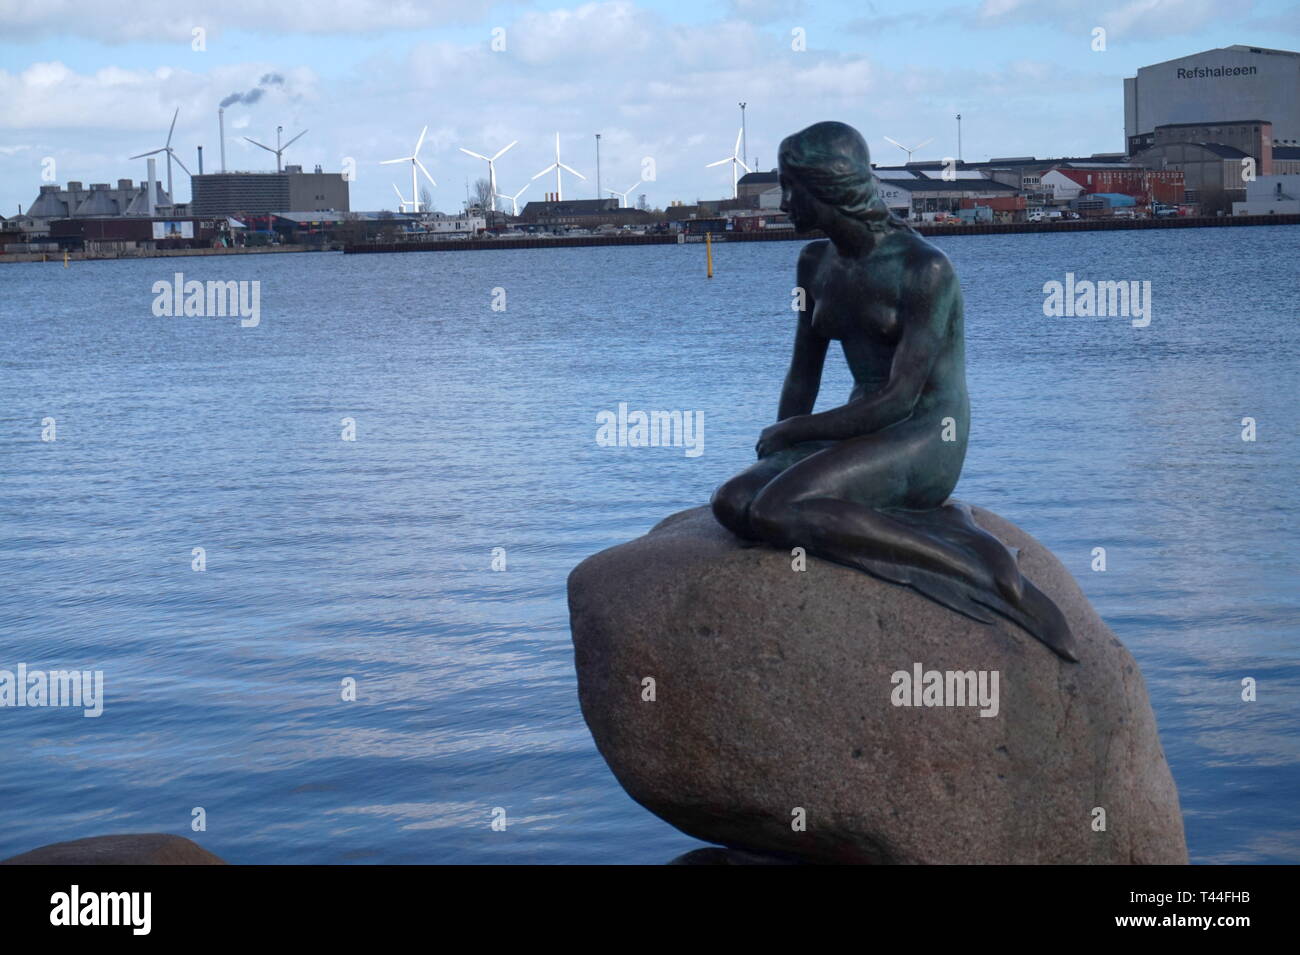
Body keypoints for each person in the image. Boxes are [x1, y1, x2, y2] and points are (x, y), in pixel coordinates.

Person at [710, 121, 1076, 661]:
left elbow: (902, 398)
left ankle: (979, 565)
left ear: (832, 187)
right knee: (734, 502)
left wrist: (796, 432)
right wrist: (786, 443)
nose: (783, 202)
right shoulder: (814, 263)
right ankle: (932, 524)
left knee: (775, 511)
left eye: (793, 187)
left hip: (924, 432)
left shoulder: (923, 269)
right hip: (861, 422)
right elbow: (802, 374)